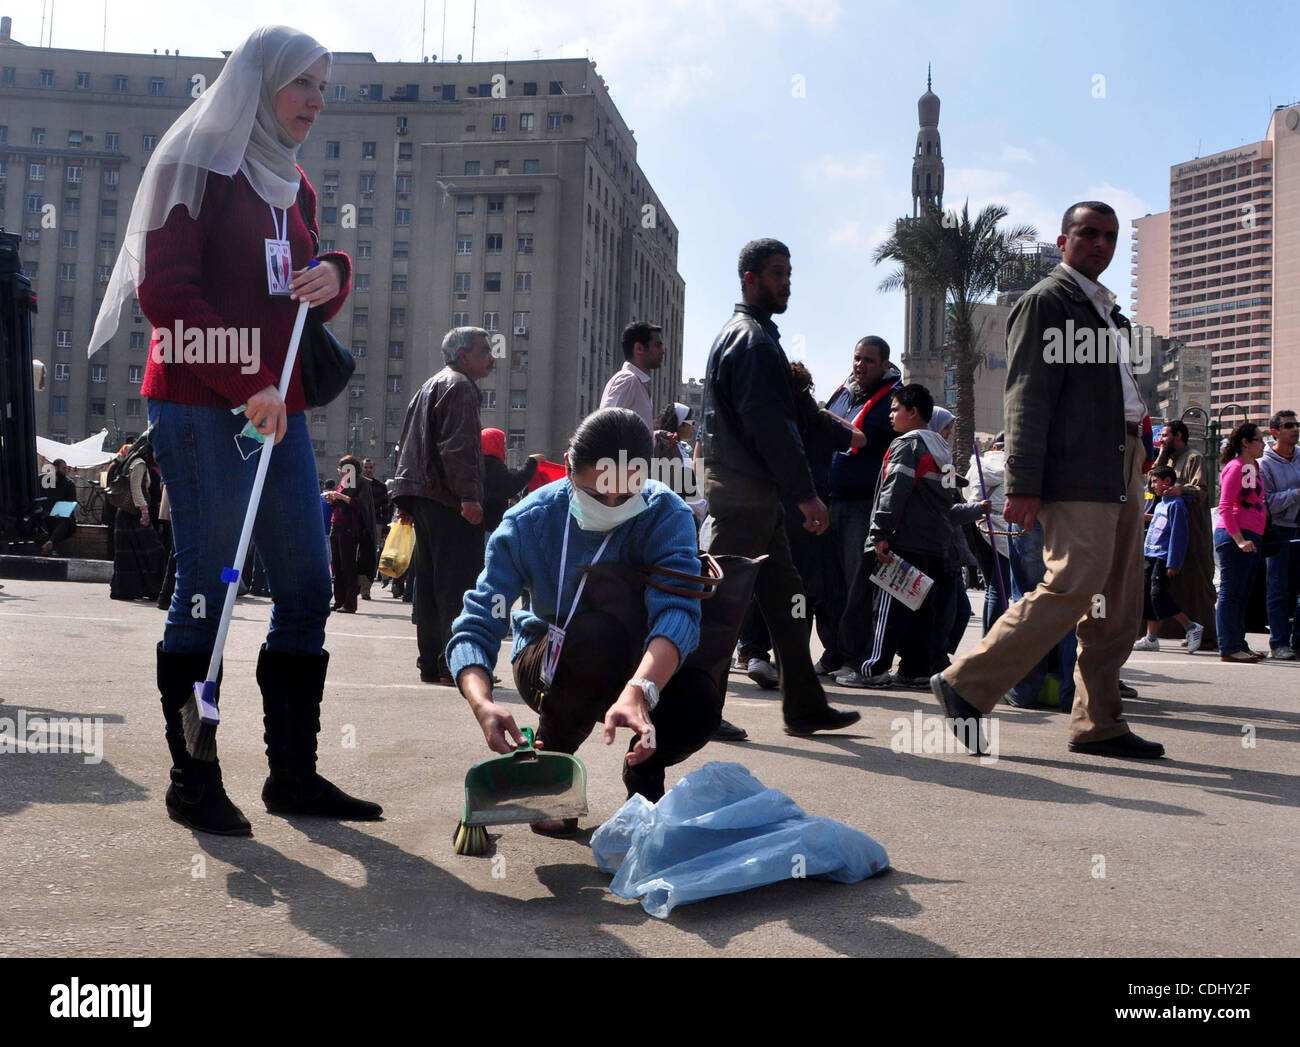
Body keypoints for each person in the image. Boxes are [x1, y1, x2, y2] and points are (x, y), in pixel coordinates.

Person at [90, 26, 382, 834]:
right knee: (210, 586)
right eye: (303, 86)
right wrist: (245, 380)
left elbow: (302, 288)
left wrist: (336, 275)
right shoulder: (194, 167)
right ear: (260, 83)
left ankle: (292, 774)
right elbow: (167, 294)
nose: (317, 103)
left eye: (324, 88)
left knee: (306, 583)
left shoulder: (295, 186)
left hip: (271, 411)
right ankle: (196, 774)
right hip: (196, 400)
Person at [931, 201, 1165, 759]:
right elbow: (1027, 397)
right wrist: (1024, 483)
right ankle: (966, 682)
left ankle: (1098, 722)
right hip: (1077, 469)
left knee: (1119, 603)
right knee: (1072, 585)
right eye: (1088, 234)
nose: (1100, 244)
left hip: (1124, 460)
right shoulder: (1046, 302)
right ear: (1064, 241)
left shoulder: (1111, 313)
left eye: (1109, 236)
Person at [448, 408, 718, 831]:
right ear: (569, 467)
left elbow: (678, 611)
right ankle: (553, 760)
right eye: (594, 493)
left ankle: (644, 769)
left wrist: (642, 690)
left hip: (640, 659)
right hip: (557, 663)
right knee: (596, 636)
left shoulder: (666, 513)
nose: (611, 505)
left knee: (699, 700)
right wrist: (481, 702)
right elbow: (479, 619)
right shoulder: (529, 523)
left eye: (626, 495)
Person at [699, 238, 858, 736]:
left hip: (756, 497)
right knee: (722, 607)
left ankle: (805, 706)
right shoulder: (751, 341)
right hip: (746, 495)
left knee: (790, 605)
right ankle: (695, 710)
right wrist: (806, 493)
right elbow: (770, 427)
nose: (785, 281)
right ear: (749, 279)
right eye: (775, 273)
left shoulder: (754, 337)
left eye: (788, 272)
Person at [391, 326, 492, 684]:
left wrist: (405, 499)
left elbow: (409, 444)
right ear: (463, 355)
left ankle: (432, 663)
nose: (491, 357)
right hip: (448, 500)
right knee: (457, 584)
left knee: (432, 586)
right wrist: (469, 497)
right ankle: (455, 664)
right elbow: (458, 447)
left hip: (426, 498)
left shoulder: (430, 384)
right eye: (484, 350)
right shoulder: (461, 387)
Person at [855, 384, 956, 689]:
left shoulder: (908, 445)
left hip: (904, 540)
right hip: (934, 544)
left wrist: (880, 534)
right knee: (920, 611)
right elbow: (950, 500)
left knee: (888, 607)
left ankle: (873, 668)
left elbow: (894, 490)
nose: (891, 415)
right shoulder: (943, 449)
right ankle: (915, 669)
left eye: (895, 409)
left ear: (913, 412)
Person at [827, 337, 902, 686]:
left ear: (885, 365)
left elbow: (861, 439)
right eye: (857, 358)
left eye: (869, 360)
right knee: (828, 582)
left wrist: (824, 418)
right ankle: (833, 652)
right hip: (830, 499)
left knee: (857, 583)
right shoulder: (842, 392)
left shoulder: (892, 400)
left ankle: (856, 658)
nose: (860, 365)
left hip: (862, 505)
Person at [1151, 420, 1217, 650]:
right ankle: (1182, 630)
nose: (1162, 439)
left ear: (1179, 435)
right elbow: (1152, 483)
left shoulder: (1193, 458)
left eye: (1166, 435)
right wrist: (1161, 452)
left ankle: (1207, 636)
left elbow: (1201, 489)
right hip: (1169, 533)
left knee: (1197, 583)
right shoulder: (1168, 459)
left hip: (1193, 529)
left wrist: (1181, 489)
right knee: (1173, 584)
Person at [1133, 465, 1203, 652]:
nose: (1152, 485)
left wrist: (1173, 562)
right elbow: (1156, 520)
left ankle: (1191, 627)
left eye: (1156, 481)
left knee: (1158, 594)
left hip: (1163, 557)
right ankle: (1151, 637)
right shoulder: (1162, 503)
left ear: (1167, 482)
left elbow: (1179, 536)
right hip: (1150, 554)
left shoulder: (1177, 504)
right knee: (1148, 595)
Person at [1215, 422, 1268, 662]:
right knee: (1231, 593)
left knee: (1242, 594)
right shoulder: (1236, 467)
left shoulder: (1252, 467)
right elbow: (1225, 507)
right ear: (1245, 443)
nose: (1263, 443)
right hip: (1235, 535)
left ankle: (1239, 644)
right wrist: (1238, 540)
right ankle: (1228, 647)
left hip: (1250, 535)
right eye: (1258, 439)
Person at [1259, 410, 1300, 658]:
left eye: (1297, 424)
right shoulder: (1264, 464)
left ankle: (1298, 642)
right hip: (1279, 531)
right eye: (1288, 425)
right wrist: (1296, 494)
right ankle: (1279, 643)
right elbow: (1267, 503)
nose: (1295, 429)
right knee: (1278, 589)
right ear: (1275, 432)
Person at [109, 441, 166, 601]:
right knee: (153, 551)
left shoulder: (131, 461)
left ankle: (128, 589)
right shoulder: (139, 464)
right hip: (134, 514)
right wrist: (144, 512)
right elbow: (136, 489)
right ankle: (151, 588)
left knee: (130, 555)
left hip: (127, 514)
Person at [966, 431, 1011, 634]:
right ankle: (993, 640)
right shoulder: (1011, 466)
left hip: (978, 527)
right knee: (1000, 589)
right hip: (1002, 532)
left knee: (992, 589)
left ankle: (987, 638)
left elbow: (967, 494)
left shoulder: (976, 467)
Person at [325, 454, 374, 614]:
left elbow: (360, 504)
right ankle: (339, 600)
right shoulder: (344, 483)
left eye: (344, 469)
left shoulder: (361, 483)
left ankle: (350, 603)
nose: (341, 472)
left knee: (348, 566)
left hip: (350, 529)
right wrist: (332, 499)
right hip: (336, 526)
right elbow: (340, 505)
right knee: (337, 566)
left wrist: (340, 496)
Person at [599, 322, 664, 430]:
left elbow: (631, 435)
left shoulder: (639, 383)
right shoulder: (628, 381)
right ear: (639, 348)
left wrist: (655, 437)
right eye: (657, 345)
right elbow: (607, 429)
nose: (662, 351)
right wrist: (624, 448)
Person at [653, 403, 708, 526]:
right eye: (692, 423)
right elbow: (693, 498)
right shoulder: (675, 453)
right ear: (681, 424)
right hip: (679, 519)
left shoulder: (659, 445)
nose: (694, 428)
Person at [481, 428, 541, 533]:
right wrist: (531, 462)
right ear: (495, 443)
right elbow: (512, 486)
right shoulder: (493, 464)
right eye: (502, 444)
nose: (504, 448)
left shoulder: (477, 463)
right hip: (489, 526)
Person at [358, 458, 388, 601]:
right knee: (356, 555)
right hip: (357, 524)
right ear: (362, 468)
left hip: (375, 525)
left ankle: (366, 588)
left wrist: (384, 531)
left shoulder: (380, 487)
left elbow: (385, 509)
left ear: (374, 469)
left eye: (370, 467)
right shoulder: (356, 484)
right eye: (366, 467)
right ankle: (356, 585)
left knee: (370, 556)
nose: (368, 470)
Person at [39, 458, 79, 556]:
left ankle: (50, 543)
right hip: (46, 514)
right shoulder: (43, 481)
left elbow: (71, 503)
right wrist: (49, 512)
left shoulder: (69, 484)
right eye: (63, 468)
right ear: (55, 468)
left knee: (65, 521)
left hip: (63, 515)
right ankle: (49, 545)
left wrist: (60, 512)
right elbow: (40, 499)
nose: (66, 470)